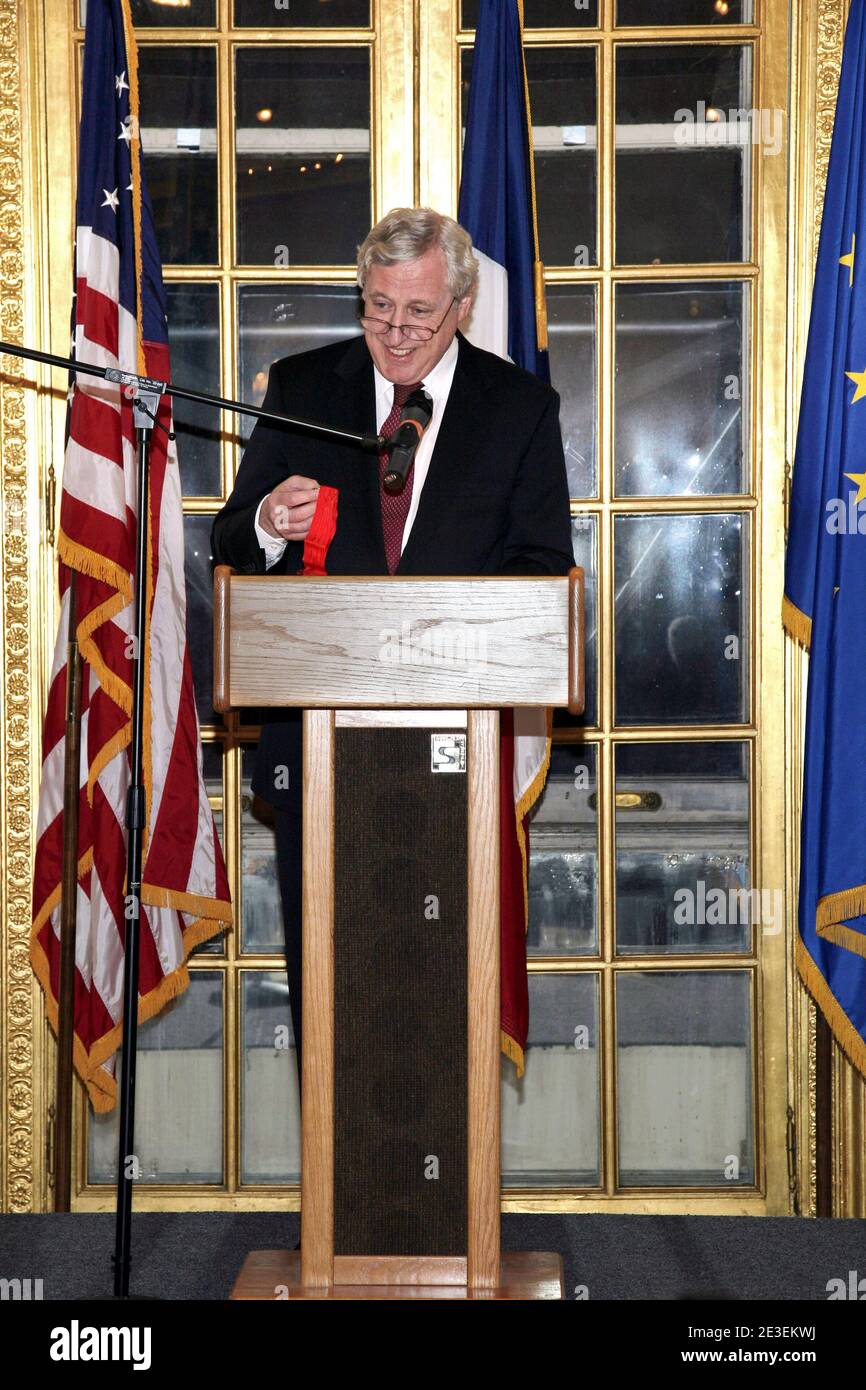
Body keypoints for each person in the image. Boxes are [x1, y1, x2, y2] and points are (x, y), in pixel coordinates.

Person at [211, 206, 573, 1087]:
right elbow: (229, 540)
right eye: (377, 308)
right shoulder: (303, 387)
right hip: (320, 757)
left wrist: (438, 634)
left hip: (457, 751)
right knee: (332, 989)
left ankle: (444, 1214)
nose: (396, 332)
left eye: (417, 311)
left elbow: (540, 564)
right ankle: (337, 1217)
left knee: (439, 988)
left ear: (461, 304)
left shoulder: (519, 407)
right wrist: (266, 520)